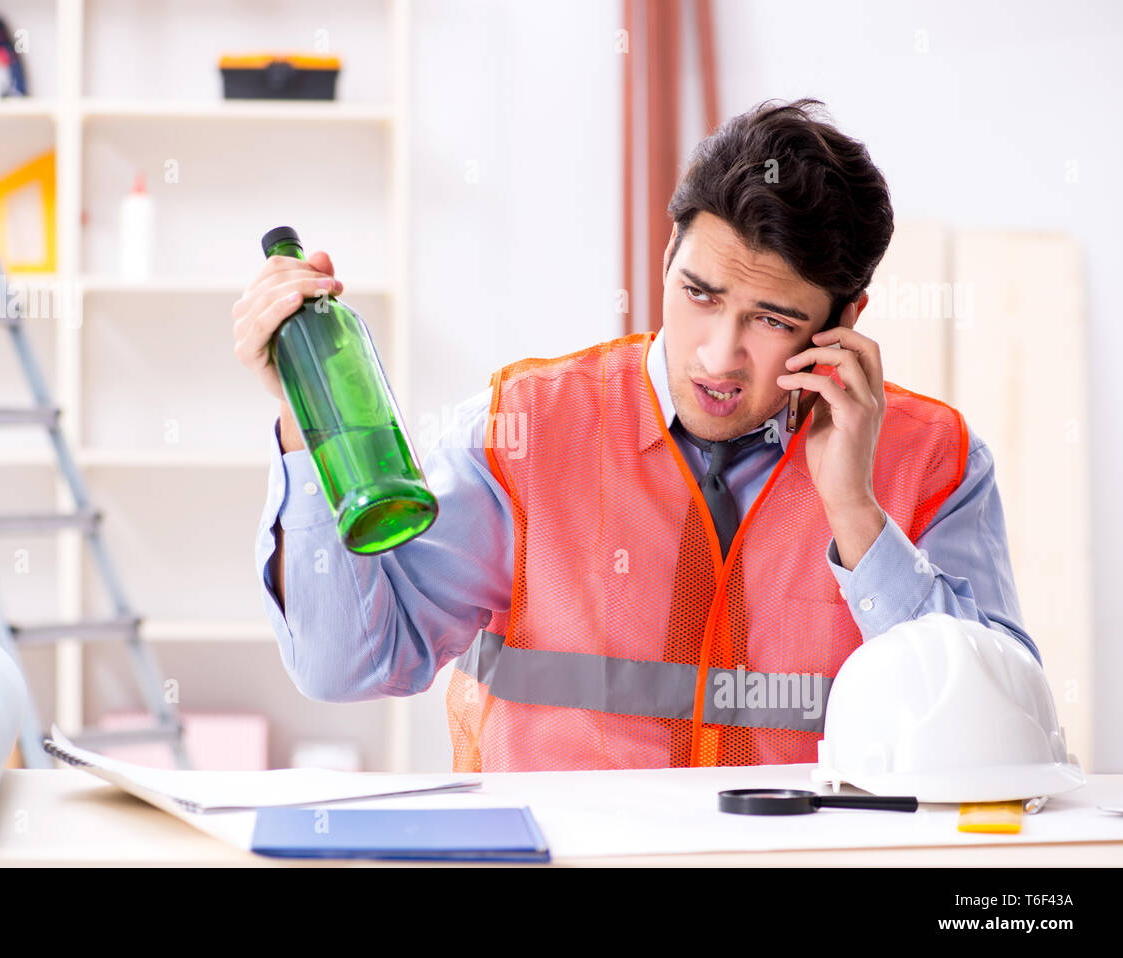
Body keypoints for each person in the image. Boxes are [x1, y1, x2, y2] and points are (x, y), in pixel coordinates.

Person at [231, 97, 1036, 773]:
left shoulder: (934, 461)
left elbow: (995, 742)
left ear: (845, 321)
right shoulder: (526, 428)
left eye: (772, 319)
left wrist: (858, 515)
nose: (720, 356)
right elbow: (349, 665)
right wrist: (308, 430)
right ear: (667, 257)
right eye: (700, 294)